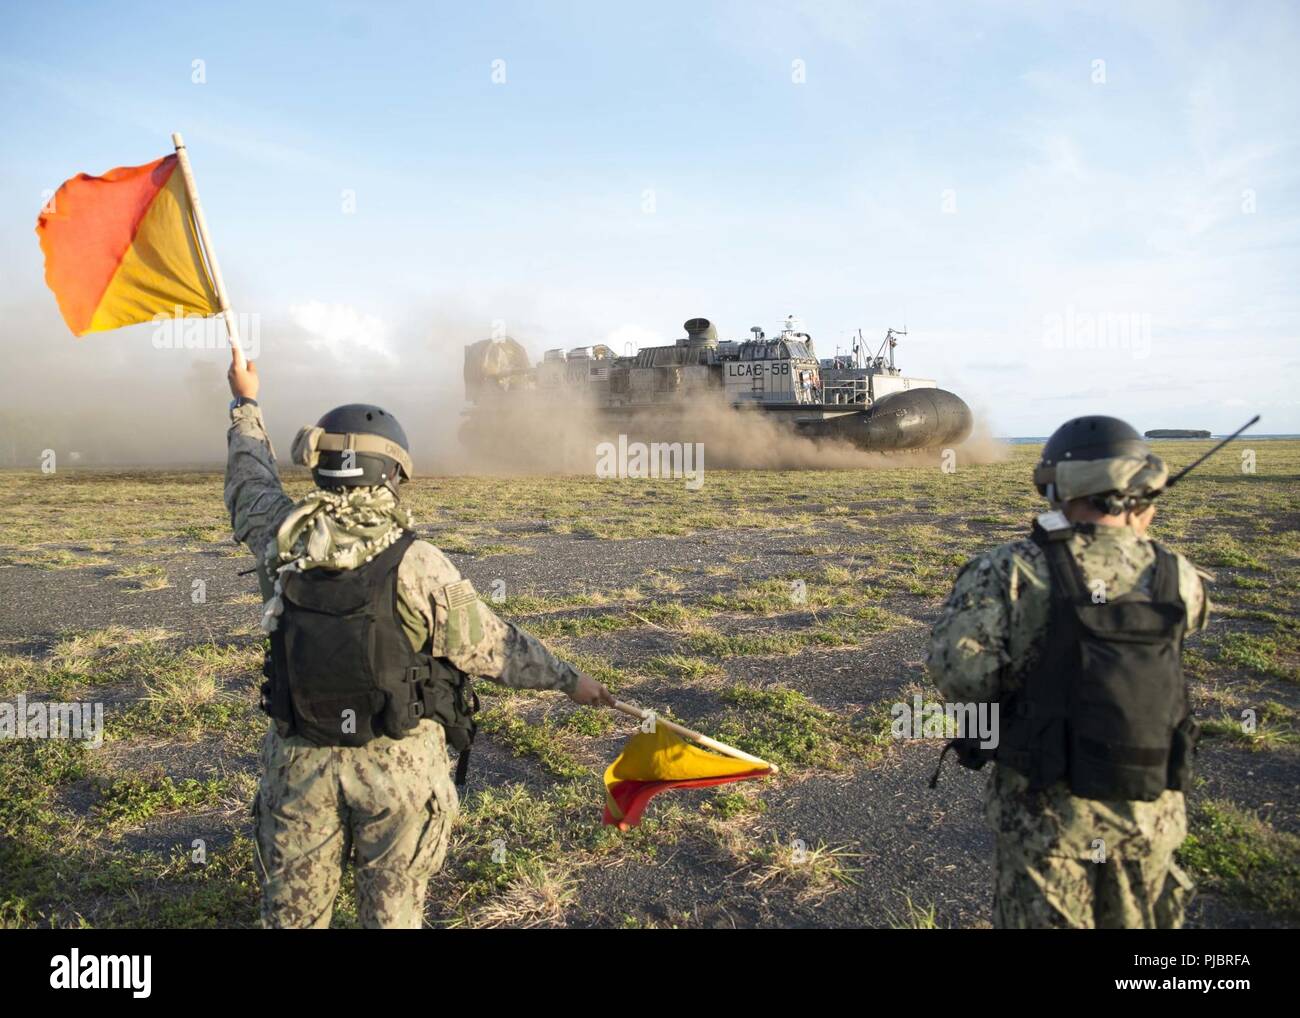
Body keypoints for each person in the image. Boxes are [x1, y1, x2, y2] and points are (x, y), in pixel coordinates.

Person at [223, 352, 613, 928]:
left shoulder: (279, 536)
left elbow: (247, 480)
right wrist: (570, 680)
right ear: (393, 475)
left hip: (299, 765)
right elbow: (495, 648)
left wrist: (245, 404)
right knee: (393, 914)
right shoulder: (419, 564)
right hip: (398, 772)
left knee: (291, 920)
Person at [925, 415, 1210, 928]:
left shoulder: (1010, 569)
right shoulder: (1178, 574)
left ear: (1057, 486)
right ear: (1142, 486)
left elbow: (959, 672)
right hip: (1151, 815)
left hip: (1046, 820)